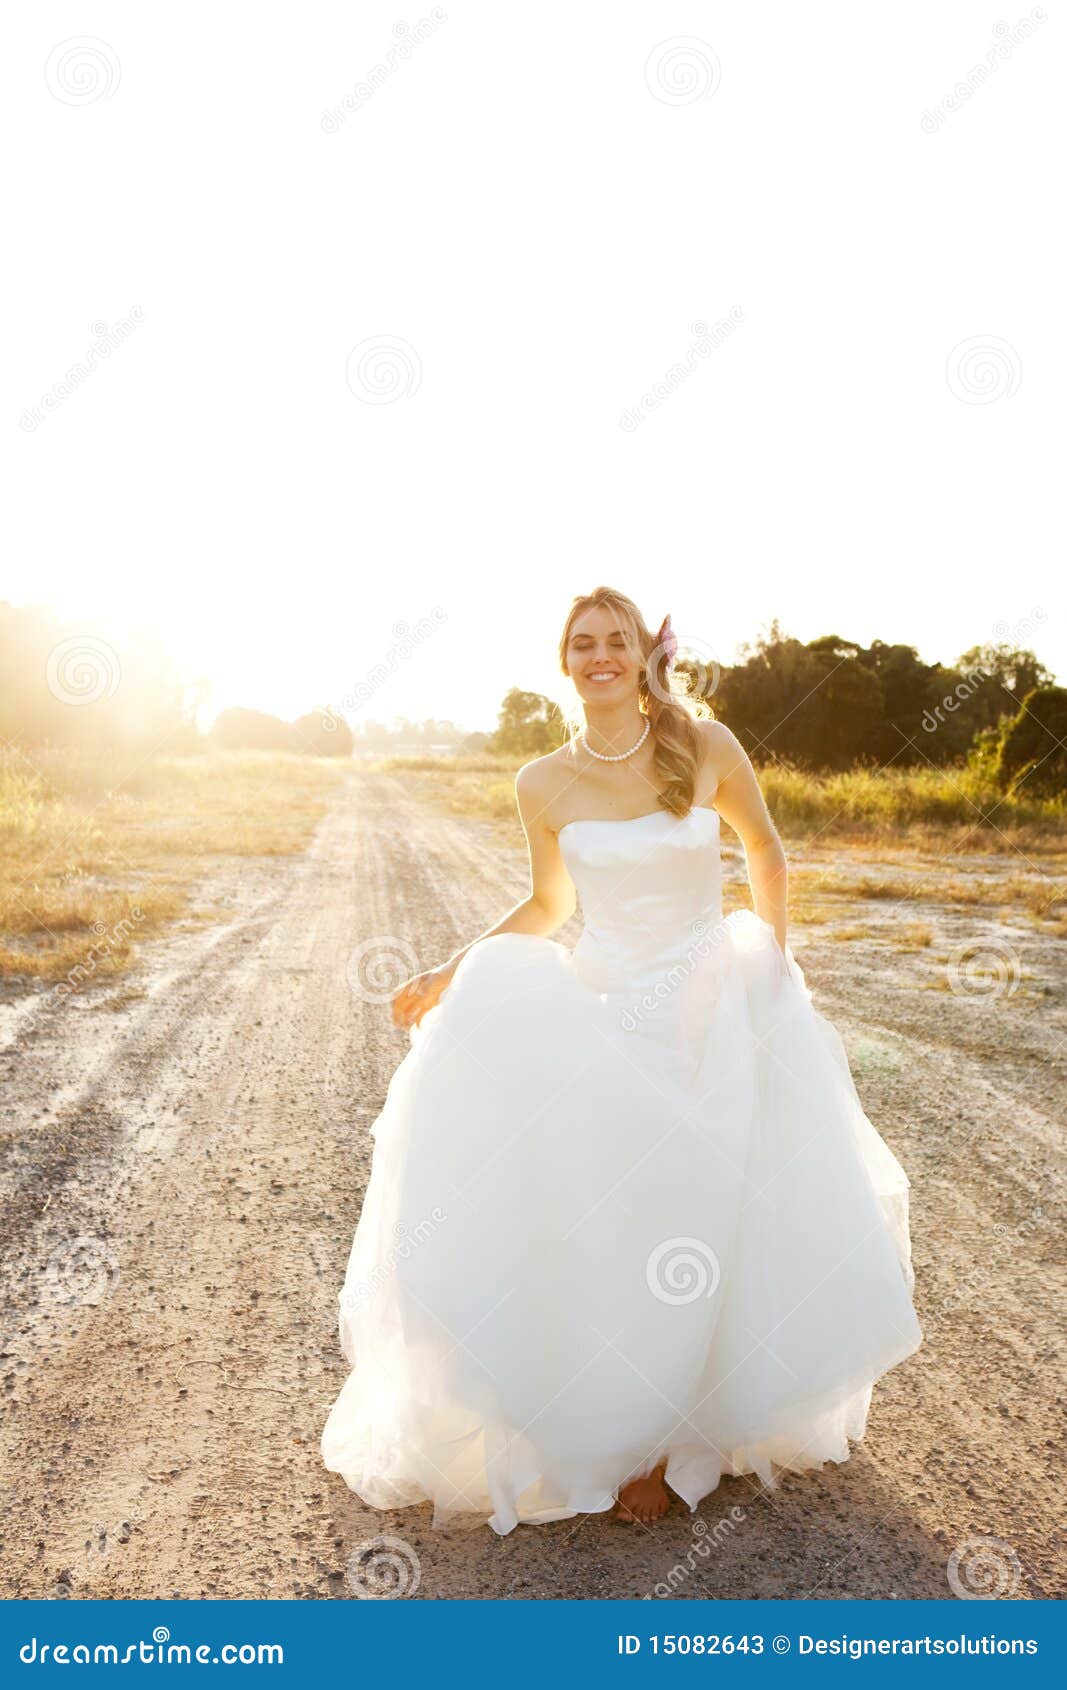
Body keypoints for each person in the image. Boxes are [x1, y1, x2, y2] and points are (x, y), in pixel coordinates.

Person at [321, 586, 921, 1531]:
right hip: (605, 1001)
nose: (600, 655)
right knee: (610, 1208)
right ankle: (610, 1422)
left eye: (617, 640)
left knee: (696, 1203)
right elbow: (549, 907)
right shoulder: (541, 782)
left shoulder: (704, 746)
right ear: (564, 661)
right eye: (583, 643)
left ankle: (678, 1441)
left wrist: (766, 963)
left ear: (644, 655)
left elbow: (764, 850)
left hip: (706, 997)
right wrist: (451, 966)